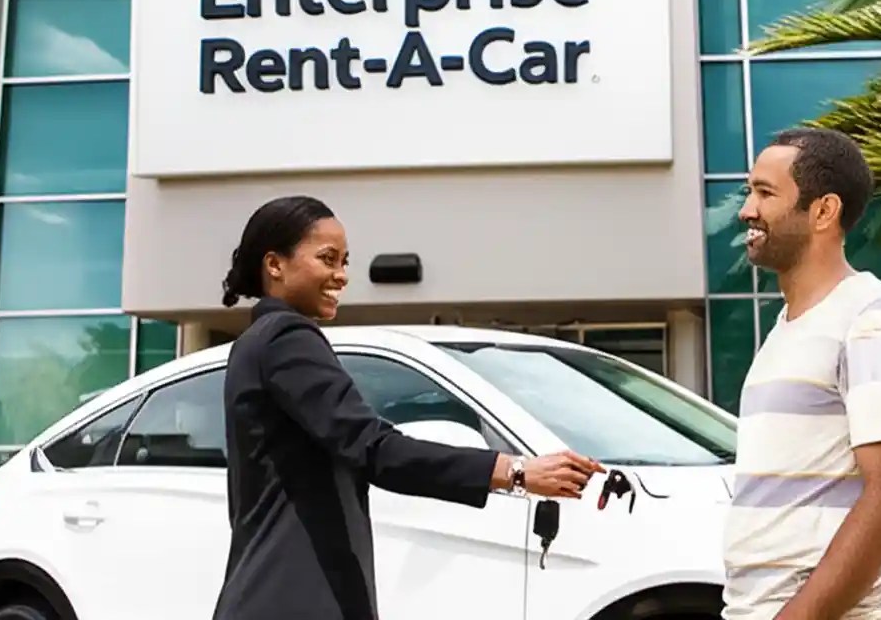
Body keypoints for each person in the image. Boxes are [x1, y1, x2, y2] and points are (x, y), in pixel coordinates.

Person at [210, 195, 605, 620]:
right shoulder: (287, 338)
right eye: (328, 259)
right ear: (275, 265)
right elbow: (375, 449)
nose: (342, 275)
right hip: (294, 600)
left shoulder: (257, 341)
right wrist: (517, 471)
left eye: (345, 261)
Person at [723, 127, 881, 620]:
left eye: (765, 193)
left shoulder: (871, 320)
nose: (747, 210)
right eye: (750, 192)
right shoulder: (788, 326)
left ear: (823, 211)